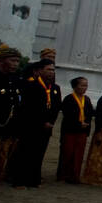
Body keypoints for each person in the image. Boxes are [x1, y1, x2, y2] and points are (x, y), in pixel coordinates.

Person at [10, 51, 62, 188]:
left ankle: (34, 180)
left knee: (38, 154)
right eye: (48, 70)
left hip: (47, 127)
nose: (51, 72)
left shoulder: (55, 88)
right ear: (39, 71)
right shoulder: (30, 86)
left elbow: (56, 108)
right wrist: (41, 122)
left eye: (53, 70)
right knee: (25, 153)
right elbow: (28, 108)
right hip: (31, 126)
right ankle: (18, 180)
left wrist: (50, 122)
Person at [0, 45, 22, 203]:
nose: (15, 64)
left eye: (17, 61)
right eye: (12, 60)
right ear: (1, 60)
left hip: (8, 131)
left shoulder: (15, 79)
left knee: (0, 166)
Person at [57, 77, 94, 183]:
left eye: (86, 85)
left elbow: (90, 113)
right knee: (67, 152)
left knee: (79, 154)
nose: (84, 88)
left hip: (82, 131)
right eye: (82, 85)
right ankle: (63, 175)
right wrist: (78, 124)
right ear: (75, 86)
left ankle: (75, 175)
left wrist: (86, 124)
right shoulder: (69, 98)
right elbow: (67, 115)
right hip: (70, 130)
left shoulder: (86, 99)